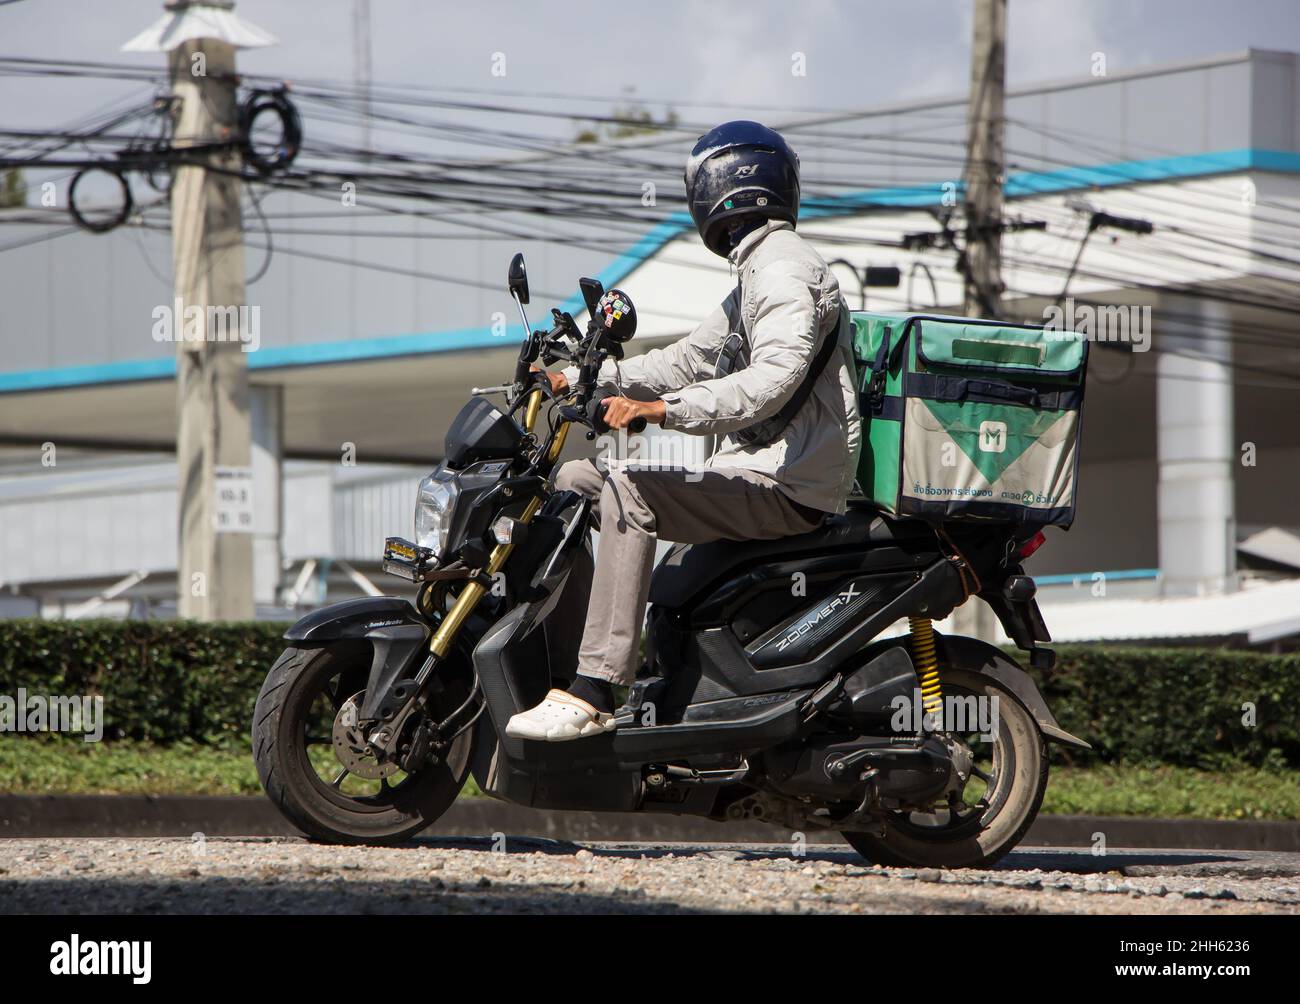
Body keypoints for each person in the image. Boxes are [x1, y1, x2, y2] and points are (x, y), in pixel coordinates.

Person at [504, 121, 861, 741]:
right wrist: (589, 382)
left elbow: (772, 380)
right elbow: (688, 358)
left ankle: (596, 687)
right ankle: (569, 655)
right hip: (752, 472)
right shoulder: (757, 270)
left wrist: (660, 412)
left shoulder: (783, 270)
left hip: (787, 483)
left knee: (631, 488)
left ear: (721, 185)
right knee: (572, 480)